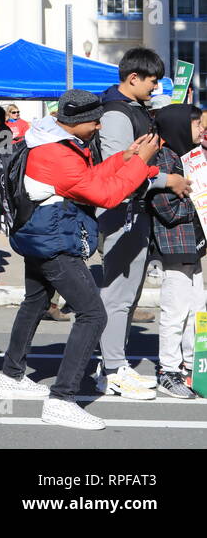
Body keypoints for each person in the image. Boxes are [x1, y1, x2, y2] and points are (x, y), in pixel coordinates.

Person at [0, 90, 159, 430]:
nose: (100, 126)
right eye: (95, 121)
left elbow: (89, 179)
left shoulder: (48, 138)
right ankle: (62, 399)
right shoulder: (57, 153)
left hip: (38, 237)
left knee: (35, 302)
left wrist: (126, 158)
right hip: (55, 243)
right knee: (93, 313)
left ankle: (11, 375)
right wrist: (141, 164)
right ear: (76, 122)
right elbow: (107, 194)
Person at [95, 47, 188, 398]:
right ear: (133, 78)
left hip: (134, 211)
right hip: (122, 211)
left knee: (127, 295)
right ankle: (112, 368)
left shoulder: (134, 109)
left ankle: (112, 363)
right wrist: (167, 180)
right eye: (152, 81)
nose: (155, 87)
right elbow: (121, 169)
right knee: (118, 295)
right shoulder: (118, 114)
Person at [146, 103, 206, 398]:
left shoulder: (186, 157)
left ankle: (192, 365)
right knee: (175, 311)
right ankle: (168, 371)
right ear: (180, 127)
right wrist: (197, 198)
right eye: (196, 125)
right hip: (173, 245)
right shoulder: (165, 160)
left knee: (197, 308)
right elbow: (165, 208)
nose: (201, 129)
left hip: (190, 244)